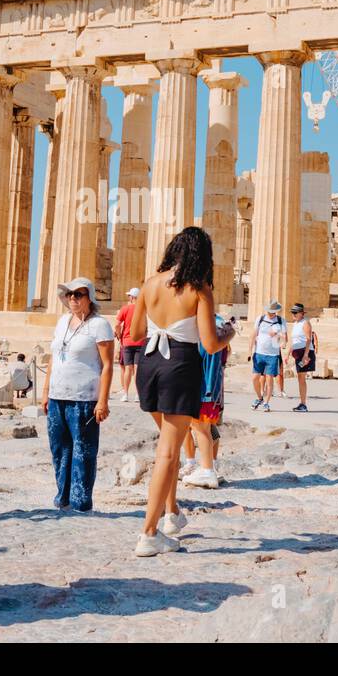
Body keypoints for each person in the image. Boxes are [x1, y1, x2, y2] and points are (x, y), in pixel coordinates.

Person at [129, 227, 234, 557]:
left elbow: (135, 332)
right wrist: (229, 333)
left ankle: (172, 514)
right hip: (179, 367)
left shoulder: (149, 283)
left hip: (149, 365)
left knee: (168, 446)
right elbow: (210, 343)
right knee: (168, 453)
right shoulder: (199, 289)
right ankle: (148, 533)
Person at [39, 277, 114, 513]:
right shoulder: (62, 322)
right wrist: (45, 391)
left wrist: (103, 400)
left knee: (83, 452)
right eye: (69, 294)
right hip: (57, 396)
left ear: (90, 298)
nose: (73, 298)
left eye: (79, 294)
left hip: (84, 398)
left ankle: (81, 504)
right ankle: (63, 499)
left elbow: (108, 365)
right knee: (60, 451)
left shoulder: (100, 325)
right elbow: (54, 357)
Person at [182, 317, 228, 490]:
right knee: (205, 428)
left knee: (201, 428)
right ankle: (207, 467)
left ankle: (208, 469)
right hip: (211, 384)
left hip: (202, 384)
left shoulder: (203, 324)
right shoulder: (217, 323)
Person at [249, 301, 285, 412]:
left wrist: (278, 335)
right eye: (269, 311)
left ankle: (267, 402)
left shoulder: (280, 321)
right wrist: (249, 350)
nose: (270, 313)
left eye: (272, 311)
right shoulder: (260, 318)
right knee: (255, 378)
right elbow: (254, 334)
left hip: (273, 354)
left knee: (269, 379)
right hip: (259, 352)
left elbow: (285, 337)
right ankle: (259, 398)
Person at [114, 288, 146, 403]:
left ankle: (126, 394)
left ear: (132, 297)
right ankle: (138, 395)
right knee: (137, 369)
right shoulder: (143, 310)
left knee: (128, 368)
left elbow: (117, 324)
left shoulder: (125, 309)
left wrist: (118, 335)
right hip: (140, 342)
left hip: (127, 341)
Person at [287, 303, 317, 413]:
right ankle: (302, 403)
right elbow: (294, 341)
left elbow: (309, 339)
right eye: (292, 312)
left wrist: (305, 355)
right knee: (300, 378)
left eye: (295, 312)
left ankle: (303, 404)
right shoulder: (296, 324)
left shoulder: (306, 323)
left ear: (301, 313)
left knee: (302, 378)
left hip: (305, 353)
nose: (293, 314)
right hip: (298, 353)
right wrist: (287, 354)